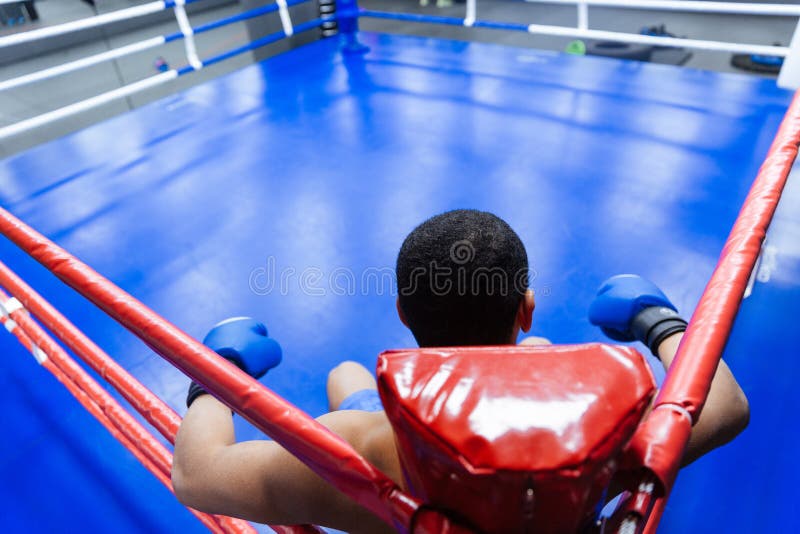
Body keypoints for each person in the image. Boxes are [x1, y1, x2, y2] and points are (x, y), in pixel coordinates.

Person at [173, 209, 749, 533]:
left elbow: (197, 475)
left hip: (399, 459)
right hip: (552, 487)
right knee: (541, 350)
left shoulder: (359, 447)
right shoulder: (598, 428)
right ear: (525, 309)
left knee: (346, 376)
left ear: (403, 314)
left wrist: (216, 378)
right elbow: (723, 405)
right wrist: (658, 322)